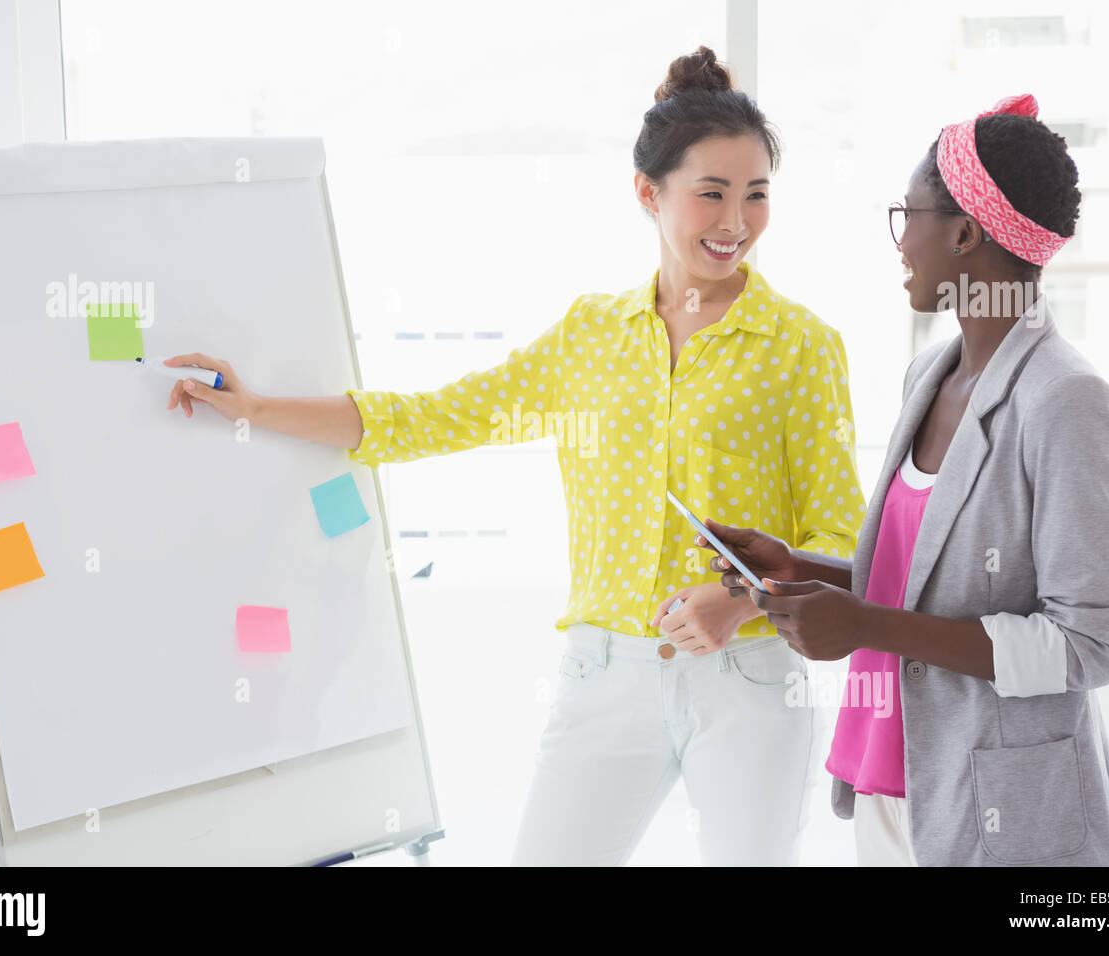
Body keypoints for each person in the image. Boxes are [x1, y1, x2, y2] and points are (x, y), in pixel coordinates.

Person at [161, 46, 866, 866]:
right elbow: (432, 418)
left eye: (756, 195)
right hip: (605, 673)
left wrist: (739, 603)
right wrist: (253, 408)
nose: (736, 222)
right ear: (649, 192)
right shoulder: (591, 335)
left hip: (750, 679)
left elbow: (841, 536)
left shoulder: (802, 347)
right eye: (711, 193)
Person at [700, 94, 1109, 866]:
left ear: (965, 233)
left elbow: (1089, 644)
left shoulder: (1067, 401)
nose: (901, 241)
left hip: (1009, 815)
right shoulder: (927, 377)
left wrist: (865, 626)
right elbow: (926, 583)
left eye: (911, 215)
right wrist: (802, 569)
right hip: (895, 788)